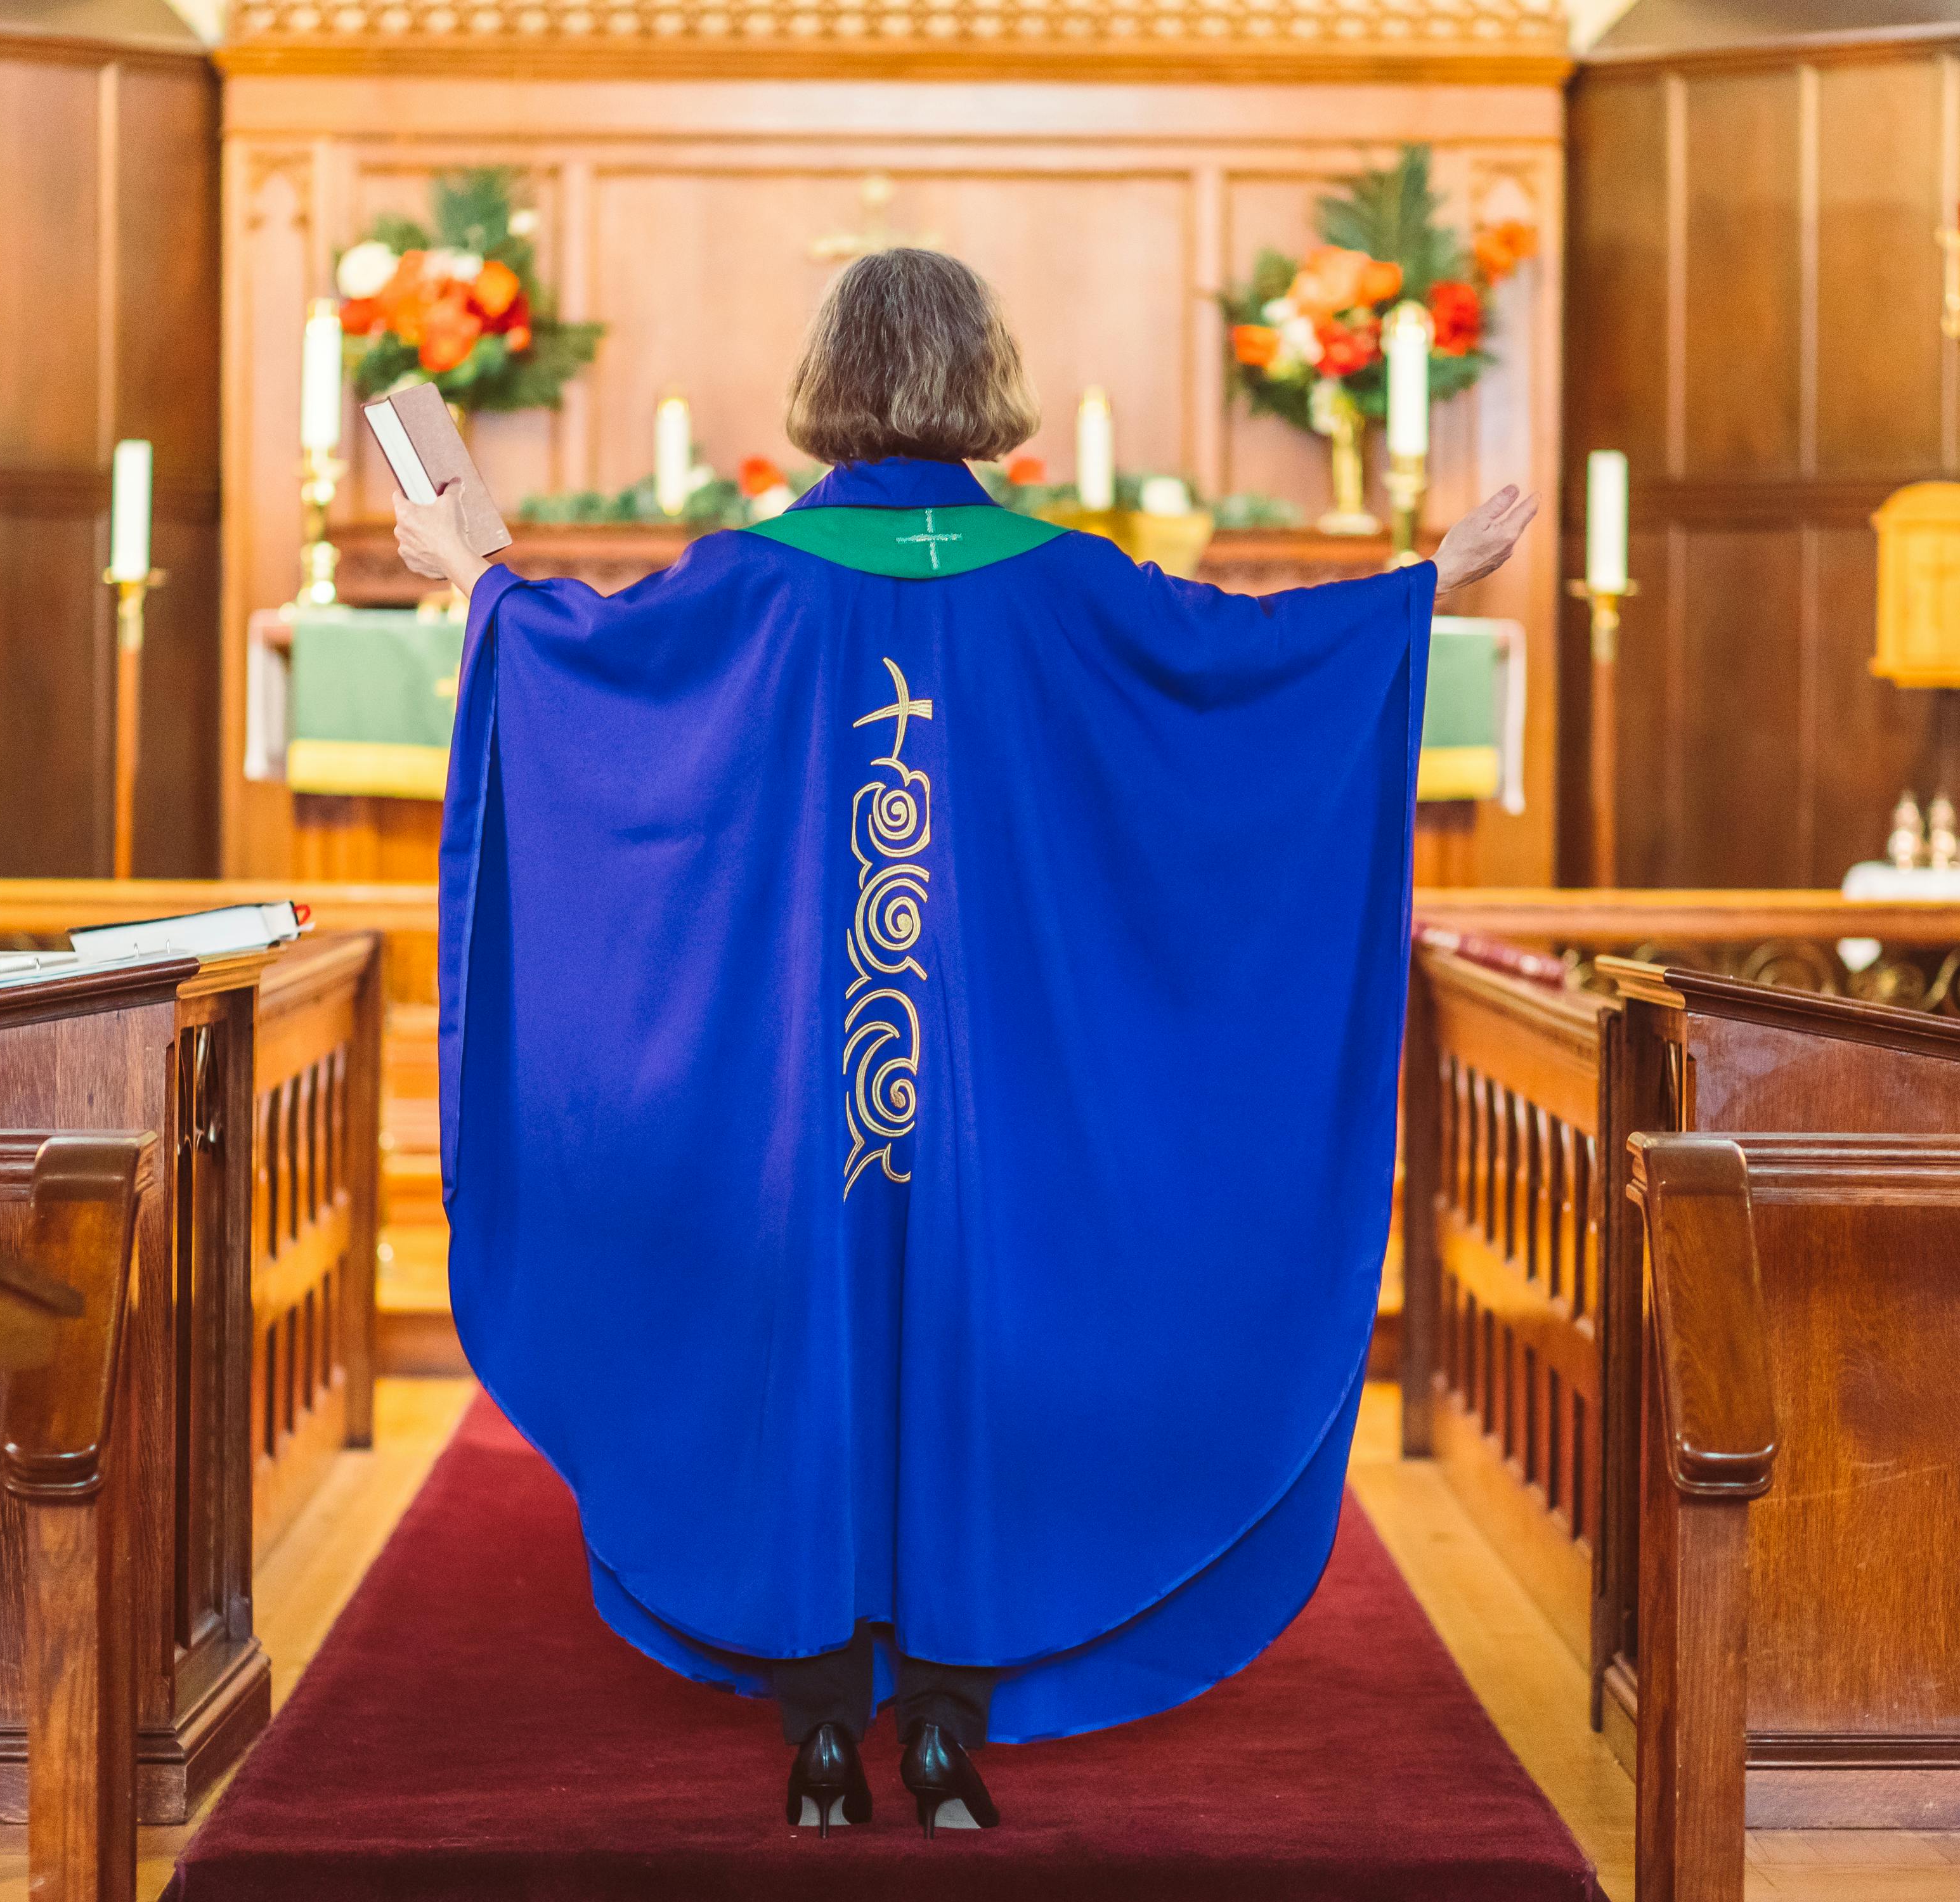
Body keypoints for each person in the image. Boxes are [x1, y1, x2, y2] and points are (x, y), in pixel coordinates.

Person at [395, 247, 1535, 1839]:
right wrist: (1422, 591)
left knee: (813, 1351)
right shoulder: (1069, 585)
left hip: (806, 1106)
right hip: (998, 1107)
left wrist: (476, 572)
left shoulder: (750, 583)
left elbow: (589, 663)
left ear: (830, 386)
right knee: (967, 1349)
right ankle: (941, 1732)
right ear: (983, 384)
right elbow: (1241, 670)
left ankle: (814, 1740)